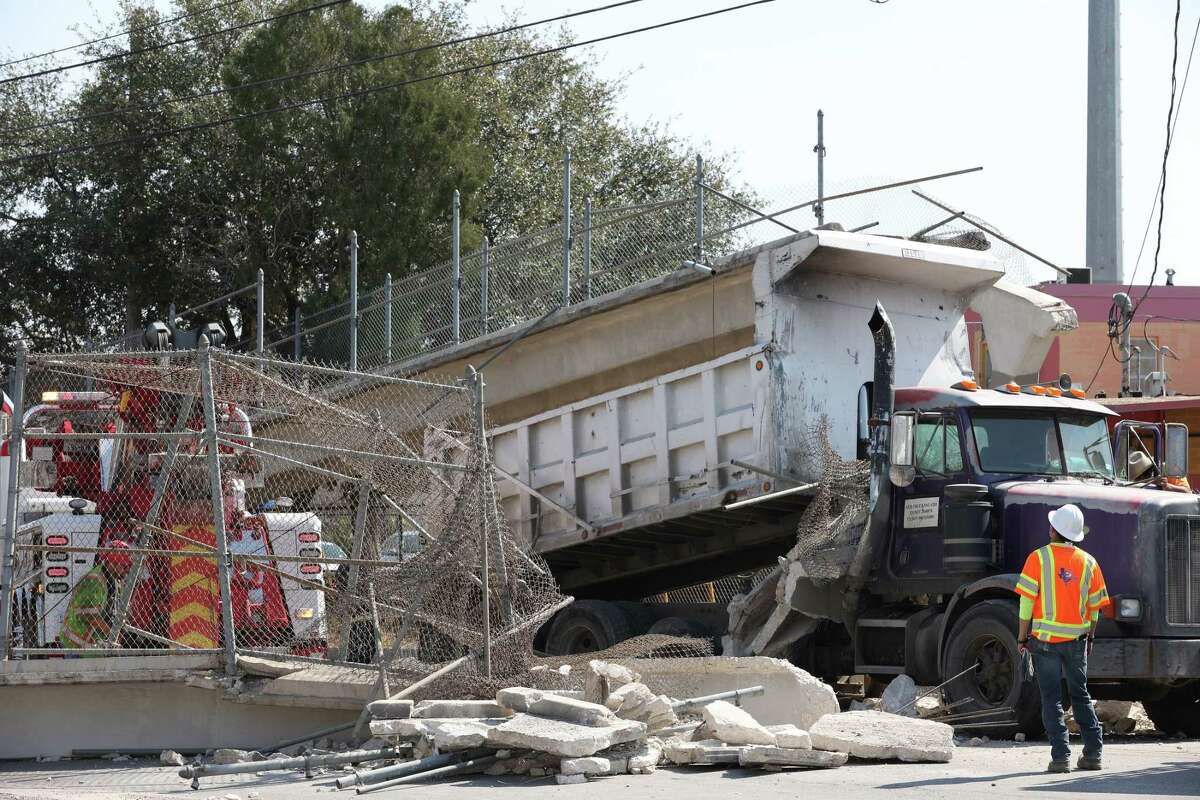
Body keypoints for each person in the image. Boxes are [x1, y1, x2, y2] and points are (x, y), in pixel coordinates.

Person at [1014, 504, 1111, 773]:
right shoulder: (1089, 562)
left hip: (1044, 642)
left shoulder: (1038, 558)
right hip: (1077, 642)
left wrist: (1022, 637)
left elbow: (1026, 604)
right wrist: (1090, 636)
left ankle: (1060, 758)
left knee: (1051, 698)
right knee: (1080, 695)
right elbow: (1095, 609)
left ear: (1053, 531)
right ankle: (1093, 754)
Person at [57, 539, 133, 652]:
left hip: (92, 644)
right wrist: (112, 634)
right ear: (112, 563)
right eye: (124, 566)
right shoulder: (94, 581)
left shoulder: (115, 581)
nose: (127, 571)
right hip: (76, 642)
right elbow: (89, 616)